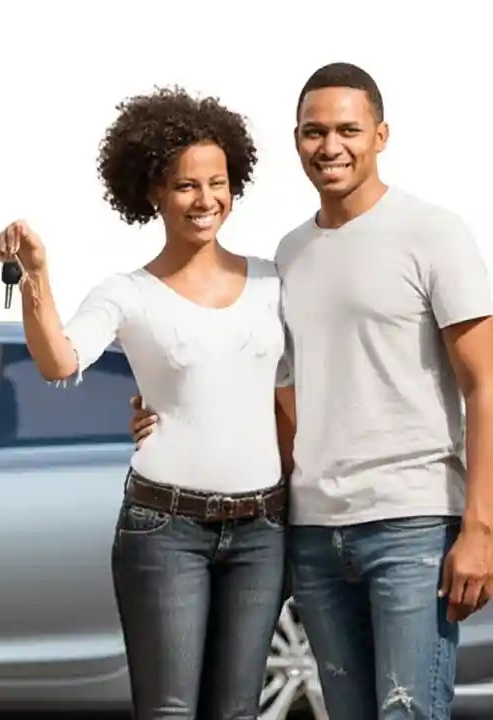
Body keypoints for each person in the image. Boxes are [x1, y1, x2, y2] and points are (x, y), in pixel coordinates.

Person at [129, 62, 493, 719]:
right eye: (313, 131)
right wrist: (170, 410)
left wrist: (481, 527)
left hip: (411, 527)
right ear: (296, 139)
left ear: (381, 135)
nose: (330, 146)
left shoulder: (433, 234)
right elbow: (274, 389)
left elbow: (484, 382)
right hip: (316, 535)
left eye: (348, 130)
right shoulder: (288, 255)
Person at [0, 86, 293, 719]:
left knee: (237, 714)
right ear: (154, 191)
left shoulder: (273, 280)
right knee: (169, 713)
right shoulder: (128, 293)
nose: (205, 200)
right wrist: (37, 276)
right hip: (165, 530)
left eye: (218, 183)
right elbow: (59, 361)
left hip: (262, 531)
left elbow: (291, 396)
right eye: (186, 186)